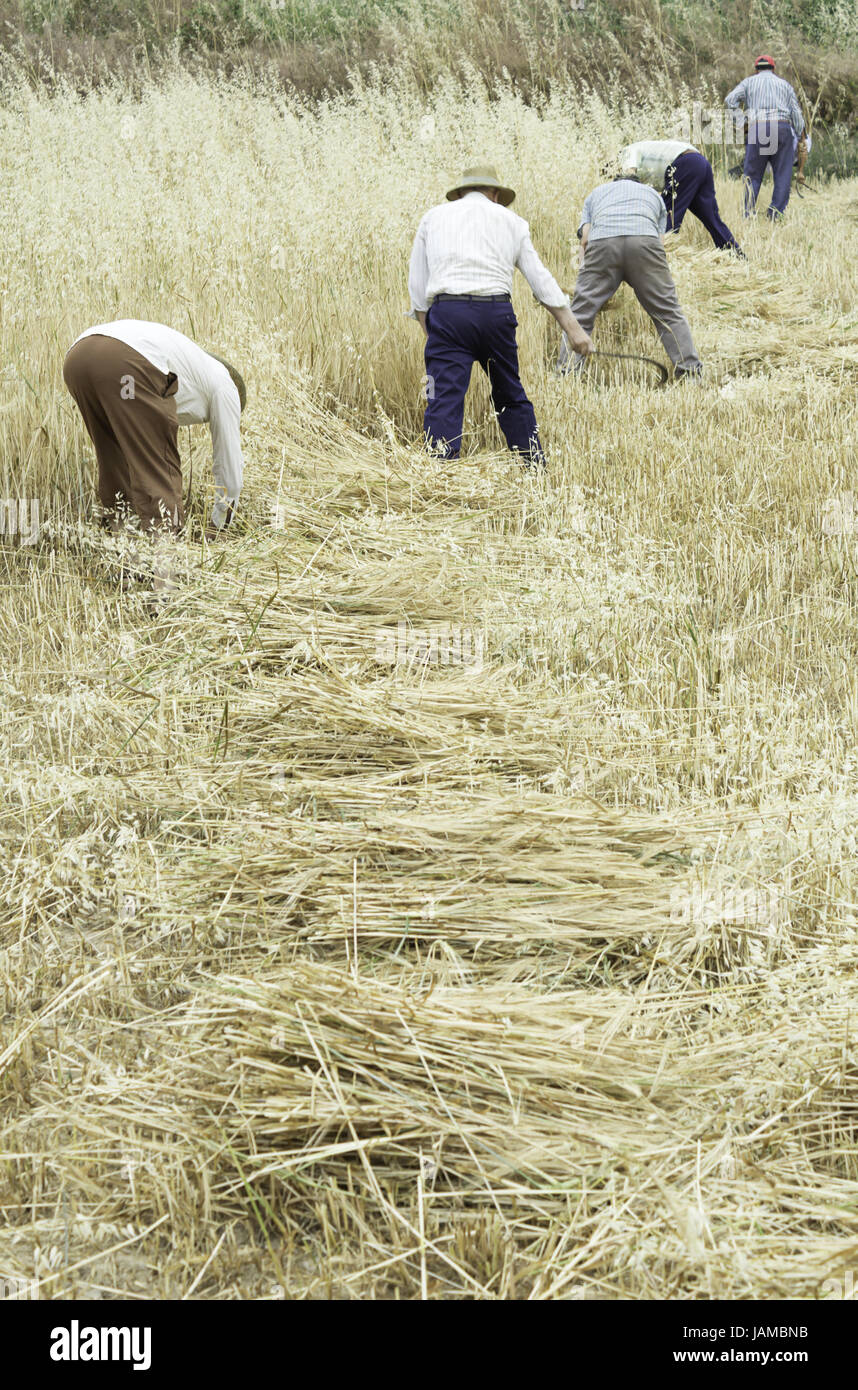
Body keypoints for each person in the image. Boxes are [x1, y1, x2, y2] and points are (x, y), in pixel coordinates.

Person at [408, 164, 592, 466]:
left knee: (441, 395)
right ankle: (532, 467)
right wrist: (574, 330)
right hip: (496, 314)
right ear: (494, 193)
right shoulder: (512, 221)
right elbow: (540, 280)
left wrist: (430, 332)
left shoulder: (433, 218)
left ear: (461, 193)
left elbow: (417, 283)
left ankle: (438, 472)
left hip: (448, 313)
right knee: (509, 391)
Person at [64, 320, 245, 544]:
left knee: (114, 464)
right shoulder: (225, 385)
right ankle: (166, 573)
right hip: (125, 363)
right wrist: (220, 525)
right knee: (159, 474)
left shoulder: (191, 366)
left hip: (78, 359)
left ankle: (127, 564)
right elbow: (229, 464)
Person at [558, 172, 702, 379]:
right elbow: (659, 243)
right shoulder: (653, 195)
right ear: (639, 183)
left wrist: (586, 274)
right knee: (668, 312)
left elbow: (585, 240)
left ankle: (567, 373)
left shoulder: (596, 193)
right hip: (645, 244)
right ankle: (690, 373)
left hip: (603, 244)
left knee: (581, 313)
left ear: (615, 182)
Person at [617, 139, 744, 255]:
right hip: (699, 162)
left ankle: (660, 257)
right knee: (712, 219)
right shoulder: (642, 149)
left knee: (667, 215)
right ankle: (736, 257)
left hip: (684, 164)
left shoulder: (626, 152)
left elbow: (629, 179)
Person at [725, 55, 806, 218]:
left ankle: (748, 213)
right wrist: (800, 135)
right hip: (782, 128)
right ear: (773, 69)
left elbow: (729, 100)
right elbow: (796, 112)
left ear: (756, 70)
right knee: (783, 175)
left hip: (758, 128)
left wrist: (743, 123)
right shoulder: (785, 85)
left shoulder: (748, 82)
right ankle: (775, 214)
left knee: (753, 174)